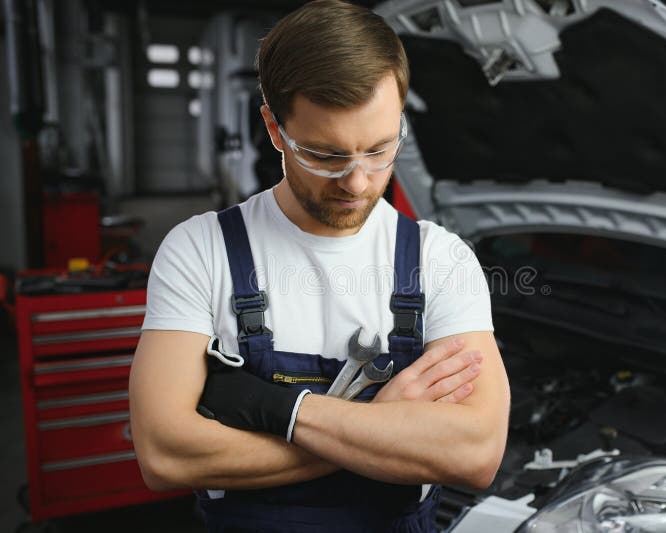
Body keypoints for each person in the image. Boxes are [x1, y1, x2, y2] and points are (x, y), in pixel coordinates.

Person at [128, 0, 510, 531]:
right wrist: (383, 426)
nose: (357, 182)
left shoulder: (441, 260)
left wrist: (272, 410)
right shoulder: (199, 250)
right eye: (326, 156)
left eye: (379, 149)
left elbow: (474, 456)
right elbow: (165, 456)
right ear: (274, 128)